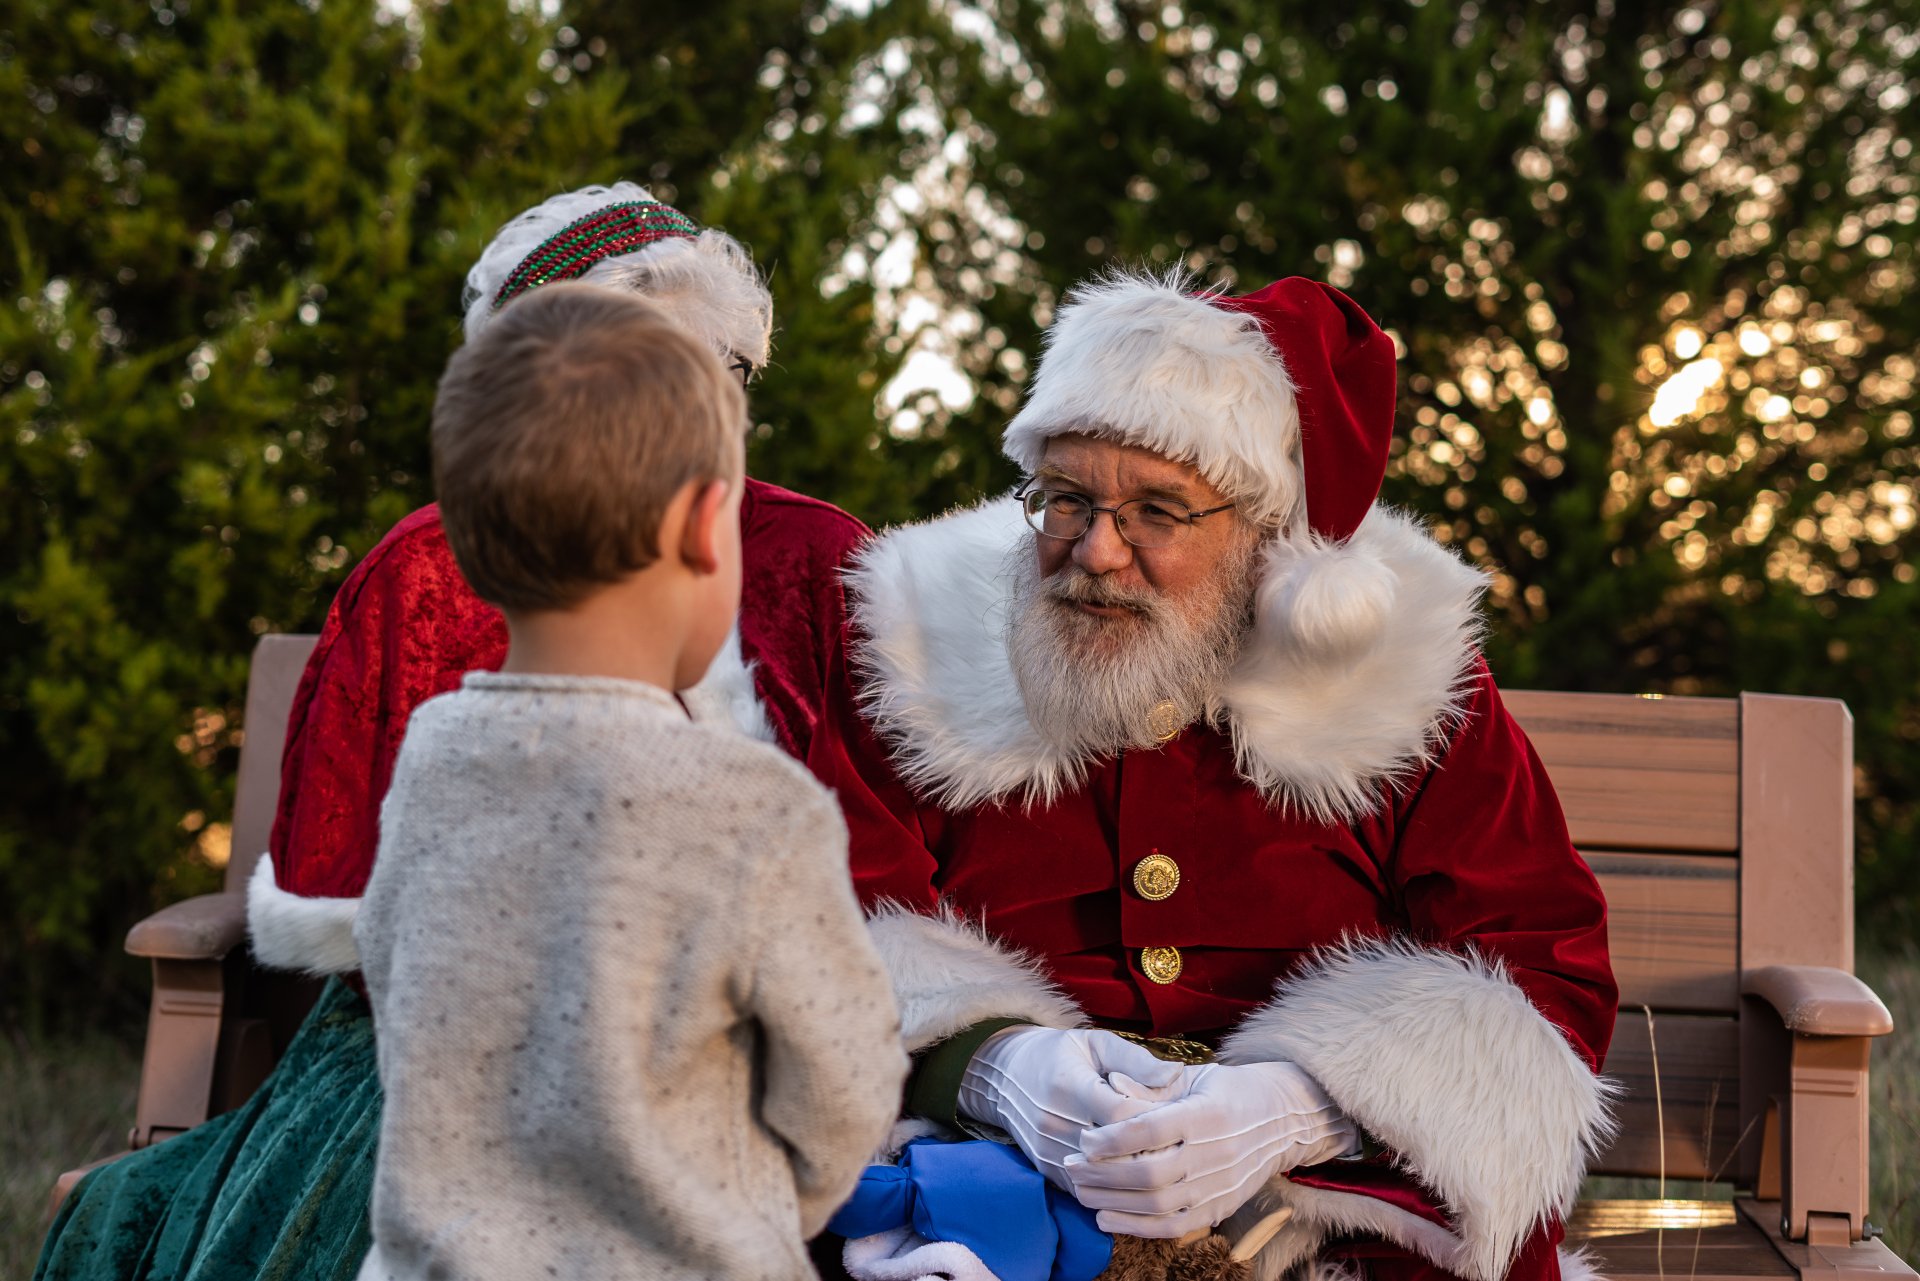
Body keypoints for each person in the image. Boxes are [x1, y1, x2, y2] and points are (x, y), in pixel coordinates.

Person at [36, 183, 872, 1281]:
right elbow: (352, 907)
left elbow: (887, 880)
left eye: (716, 375)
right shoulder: (419, 566)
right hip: (440, 1061)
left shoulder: (819, 558)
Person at [809, 270, 1618, 1281]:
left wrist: (1303, 1109)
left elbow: (1542, 973)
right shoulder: (922, 646)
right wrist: (993, 1067)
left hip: (1329, 1222)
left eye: (1157, 510)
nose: (1096, 551)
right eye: (1066, 499)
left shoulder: (1410, 681)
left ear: (1265, 538)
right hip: (997, 1196)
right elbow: (828, 927)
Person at [354, 282, 905, 1281]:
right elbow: (846, 1089)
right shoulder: (757, 809)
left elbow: (400, 992)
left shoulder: (434, 758)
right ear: (707, 524)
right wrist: (769, 1209)